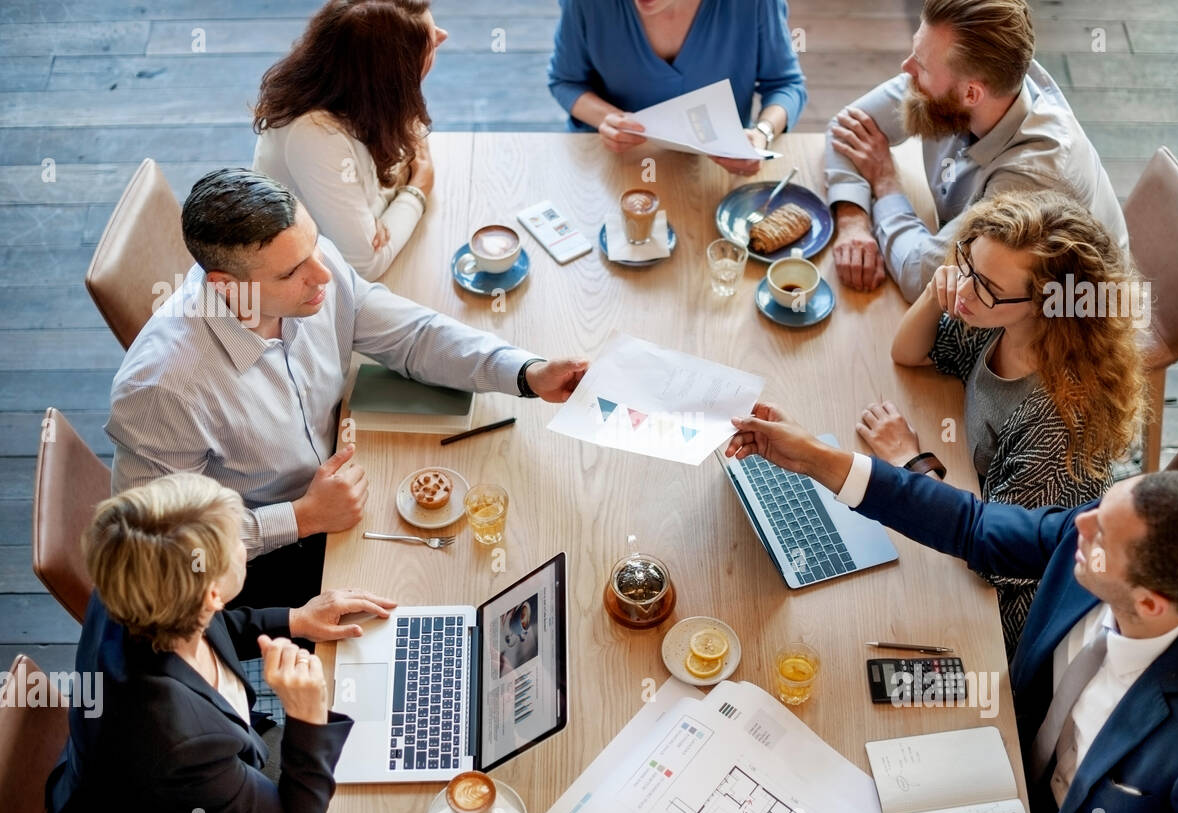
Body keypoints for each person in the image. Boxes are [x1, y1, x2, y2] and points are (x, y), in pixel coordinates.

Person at [725, 404, 1178, 813]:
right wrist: (820, 460)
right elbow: (974, 525)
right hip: (995, 755)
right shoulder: (1096, 537)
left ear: (1149, 603)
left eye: (1099, 534)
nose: (1077, 525)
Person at [106, 168, 589, 609]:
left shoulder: (312, 265)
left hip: (345, 487)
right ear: (227, 286)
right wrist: (301, 517)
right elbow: (161, 543)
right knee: (434, 602)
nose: (322, 274)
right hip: (262, 564)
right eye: (291, 272)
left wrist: (526, 373)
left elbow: (411, 336)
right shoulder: (160, 389)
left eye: (314, 246)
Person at [45, 473, 398, 813]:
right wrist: (308, 717)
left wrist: (297, 618)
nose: (245, 544)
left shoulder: (132, 580)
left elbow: (212, 625)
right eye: (236, 539)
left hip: (158, 778)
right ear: (212, 591)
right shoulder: (181, 741)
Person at [856, 191, 1146, 653]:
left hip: (1007, 610)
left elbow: (996, 556)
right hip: (969, 504)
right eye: (967, 265)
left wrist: (909, 461)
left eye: (987, 286)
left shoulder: (1059, 423)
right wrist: (940, 288)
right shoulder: (997, 318)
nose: (967, 292)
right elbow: (908, 353)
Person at [824, 0, 1126, 300]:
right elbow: (848, 127)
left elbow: (923, 279)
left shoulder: (1035, 178)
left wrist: (886, 185)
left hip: (1067, 321)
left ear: (971, 93)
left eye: (922, 65)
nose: (907, 68)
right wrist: (853, 221)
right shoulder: (982, 73)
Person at [252, 0, 446, 280]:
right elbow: (366, 264)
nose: (443, 36)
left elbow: (405, 151)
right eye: (430, 41)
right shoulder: (315, 136)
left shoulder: (361, 97)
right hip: (297, 284)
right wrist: (417, 188)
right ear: (391, 76)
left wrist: (381, 210)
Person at [548, 0, 807, 175]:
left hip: (716, 169)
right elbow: (566, 81)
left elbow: (786, 84)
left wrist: (762, 133)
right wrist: (607, 119)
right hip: (617, 163)